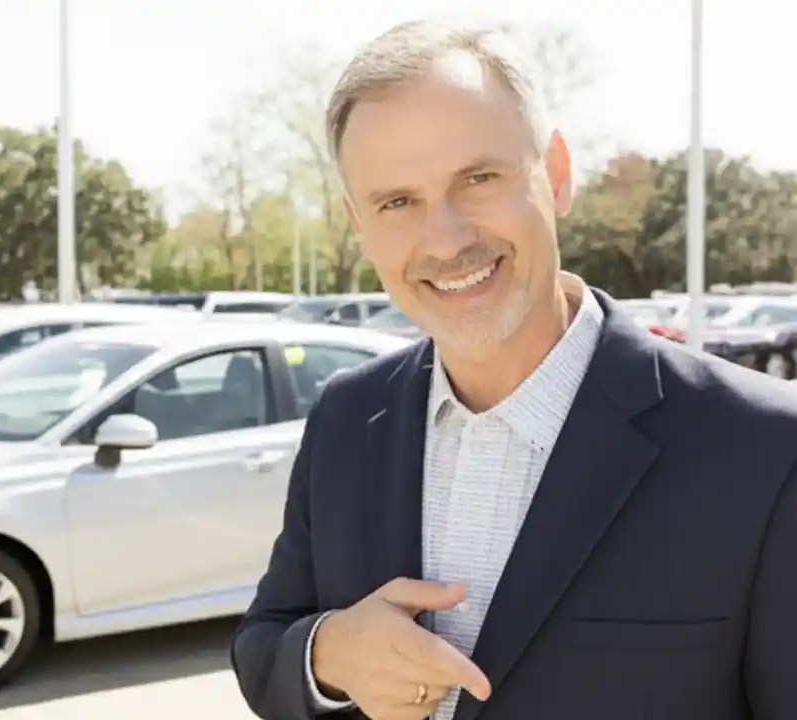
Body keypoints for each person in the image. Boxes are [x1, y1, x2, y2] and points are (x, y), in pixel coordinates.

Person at [231, 19, 797, 720]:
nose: (446, 238)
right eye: (398, 202)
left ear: (555, 174)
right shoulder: (347, 418)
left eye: (478, 178)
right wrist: (328, 655)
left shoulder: (764, 450)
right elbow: (263, 645)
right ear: (359, 223)